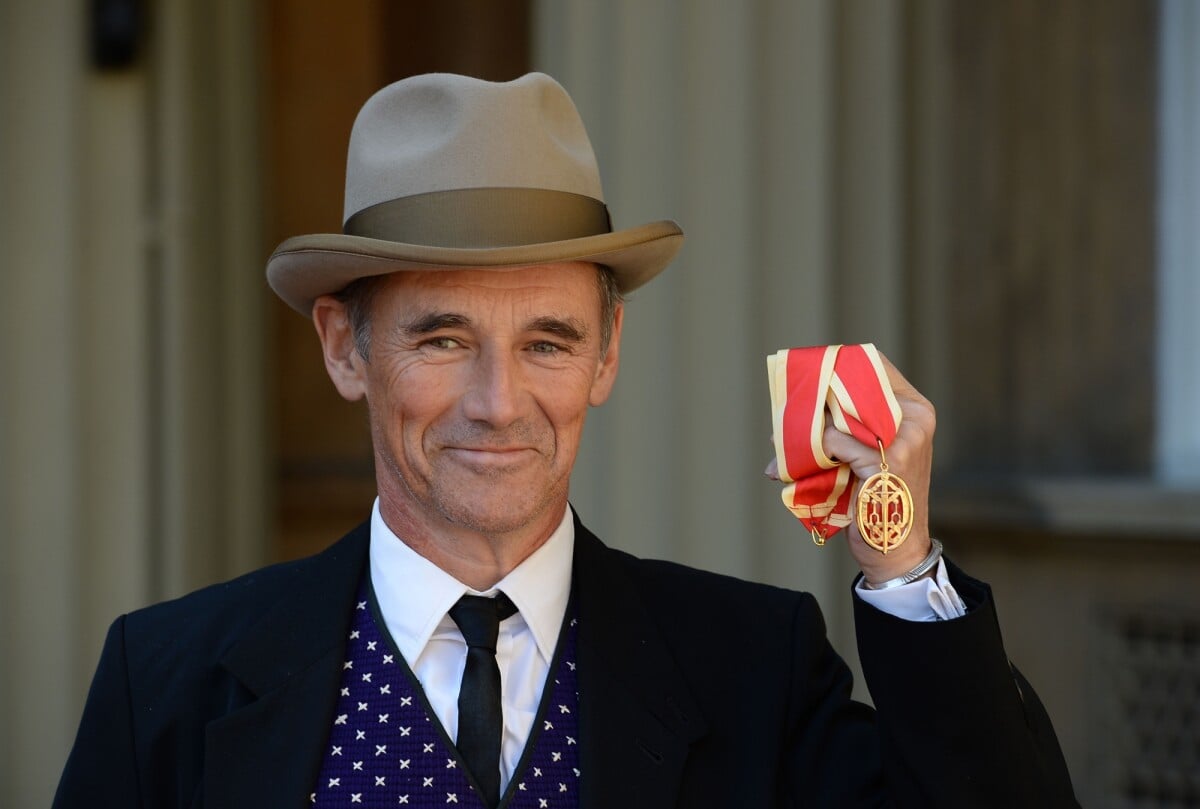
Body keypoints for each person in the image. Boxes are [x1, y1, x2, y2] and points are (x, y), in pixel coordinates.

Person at [54, 72, 1079, 808]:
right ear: (343, 347)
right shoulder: (168, 682)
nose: (499, 403)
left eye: (547, 342)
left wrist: (900, 563)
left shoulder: (753, 666)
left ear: (607, 353)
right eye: (444, 338)